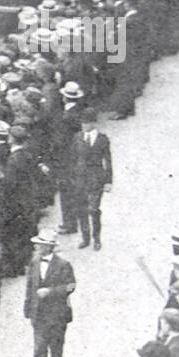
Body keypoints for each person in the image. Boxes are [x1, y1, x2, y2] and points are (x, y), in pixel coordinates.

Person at [23, 229, 75, 357]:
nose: (36, 246)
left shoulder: (63, 264)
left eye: (40, 244)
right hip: (38, 315)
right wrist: (27, 308)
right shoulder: (35, 262)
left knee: (56, 348)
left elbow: (70, 286)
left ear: (48, 247)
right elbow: (30, 286)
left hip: (57, 315)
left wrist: (50, 291)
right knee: (39, 351)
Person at [68, 107, 113, 250]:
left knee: (94, 210)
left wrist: (108, 181)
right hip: (79, 179)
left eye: (86, 123)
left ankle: (96, 238)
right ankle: (85, 238)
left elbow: (108, 160)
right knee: (81, 209)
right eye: (82, 123)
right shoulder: (77, 137)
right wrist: (71, 177)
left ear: (93, 123)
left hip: (96, 179)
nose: (84, 126)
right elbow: (72, 159)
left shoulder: (102, 139)